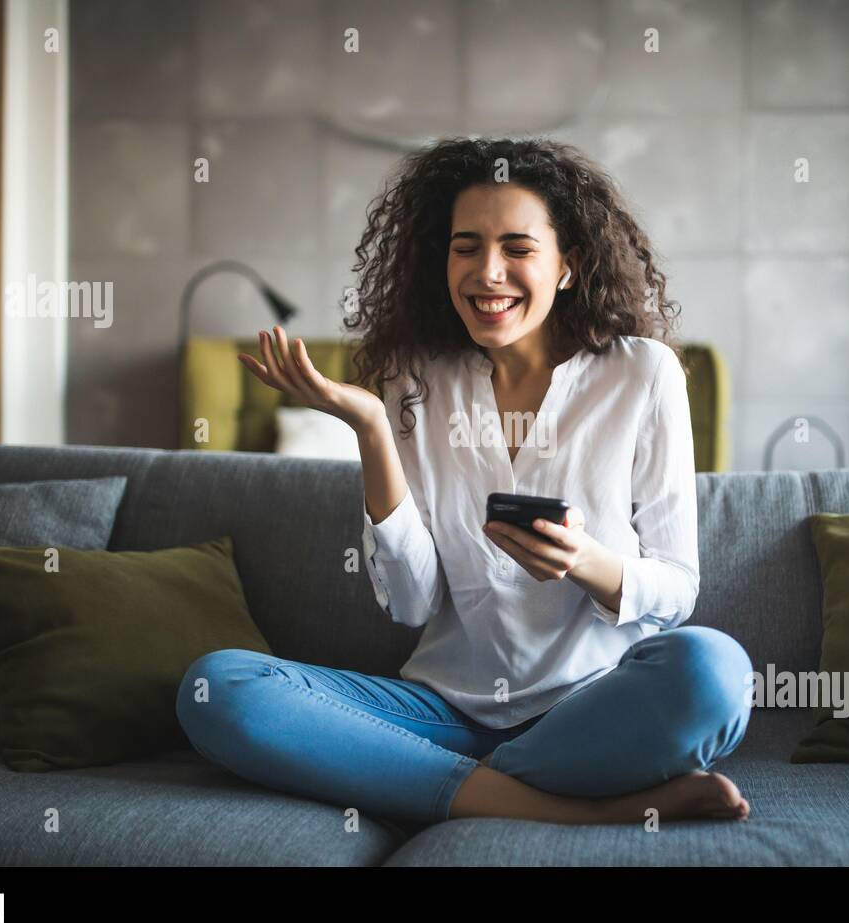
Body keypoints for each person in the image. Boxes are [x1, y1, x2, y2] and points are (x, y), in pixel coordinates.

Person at [176, 137, 753, 828]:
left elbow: (678, 588)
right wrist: (371, 430)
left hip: (590, 709)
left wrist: (587, 563)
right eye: (466, 246)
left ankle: (431, 788)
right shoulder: (412, 379)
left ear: (568, 266)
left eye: (517, 247)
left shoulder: (641, 374)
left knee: (714, 670)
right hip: (442, 713)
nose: (488, 272)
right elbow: (413, 602)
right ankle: (568, 809)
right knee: (218, 688)